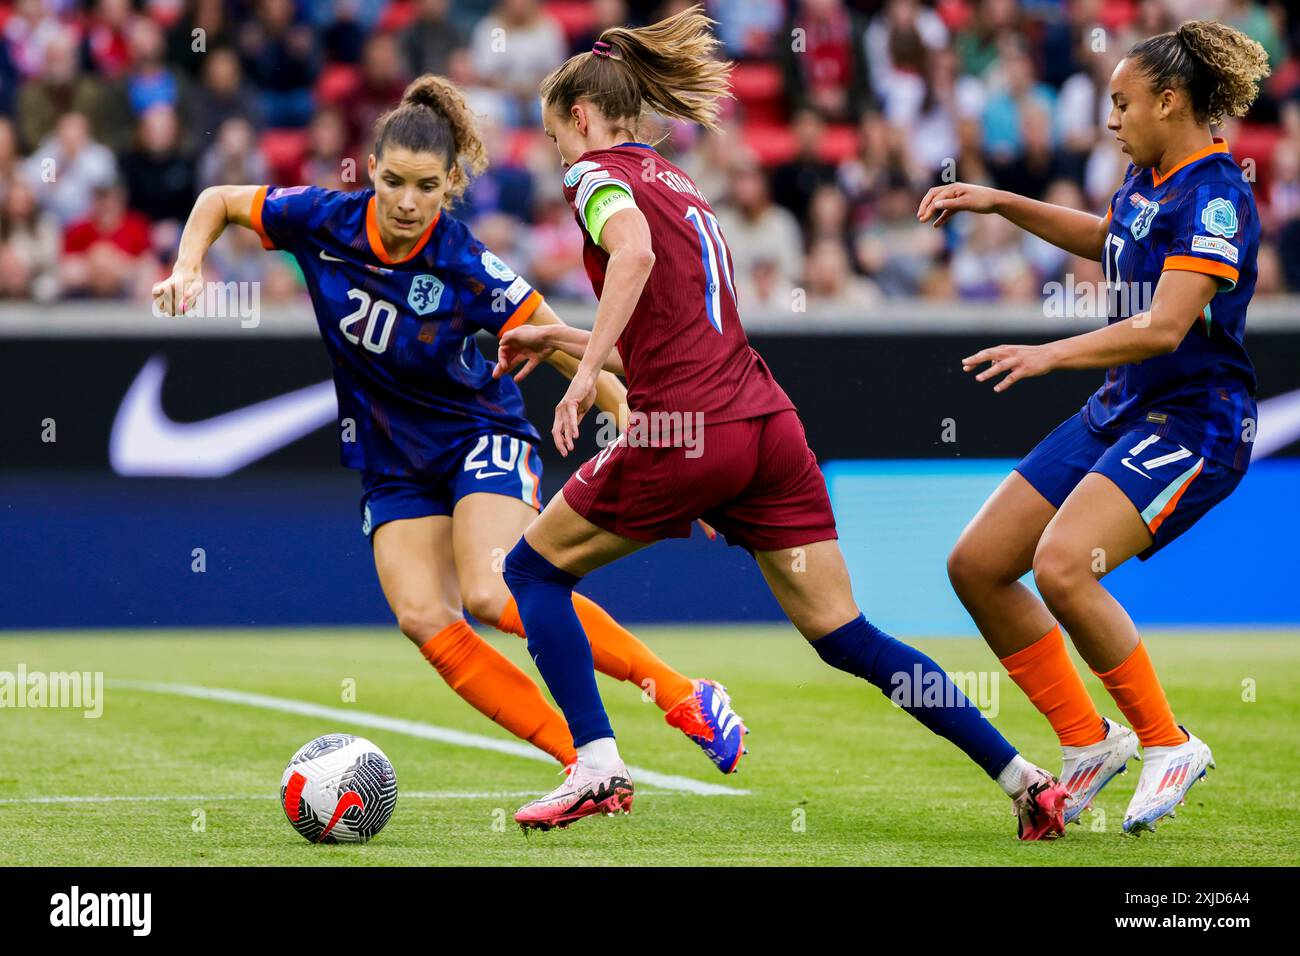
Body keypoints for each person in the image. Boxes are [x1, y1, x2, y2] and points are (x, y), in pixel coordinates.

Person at [494, 7, 1068, 837]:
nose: (559, 156)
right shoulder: (682, 184)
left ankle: (596, 765)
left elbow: (634, 257)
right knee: (847, 633)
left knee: (532, 574)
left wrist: (582, 375)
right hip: (765, 424)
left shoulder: (595, 177)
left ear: (580, 118)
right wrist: (566, 337)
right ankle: (1024, 778)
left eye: (556, 139)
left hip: (684, 432)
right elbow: (672, 336)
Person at [152, 74, 748, 779]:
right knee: (422, 617)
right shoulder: (322, 221)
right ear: (370, 169)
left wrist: (625, 410)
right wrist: (188, 267)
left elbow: (554, 339)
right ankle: (582, 763)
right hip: (390, 458)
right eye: (396, 181)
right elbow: (219, 201)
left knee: (493, 592)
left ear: (451, 183)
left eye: (428, 187)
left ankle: (684, 696)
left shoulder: (468, 265)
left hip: (477, 434)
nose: (408, 202)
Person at [920, 20, 1269, 833]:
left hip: (1196, 420)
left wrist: (1049, 355)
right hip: (1120, 409)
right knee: (976, 564)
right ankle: (1087, 743)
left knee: (1064, 567)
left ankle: (1166, 741)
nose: (1111, 119)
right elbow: (1109, 238)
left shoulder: (1216, 193)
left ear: (1171, 101)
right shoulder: (1148, 179)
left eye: (1122, 103)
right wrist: (1000, 202)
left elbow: (1161, 329)